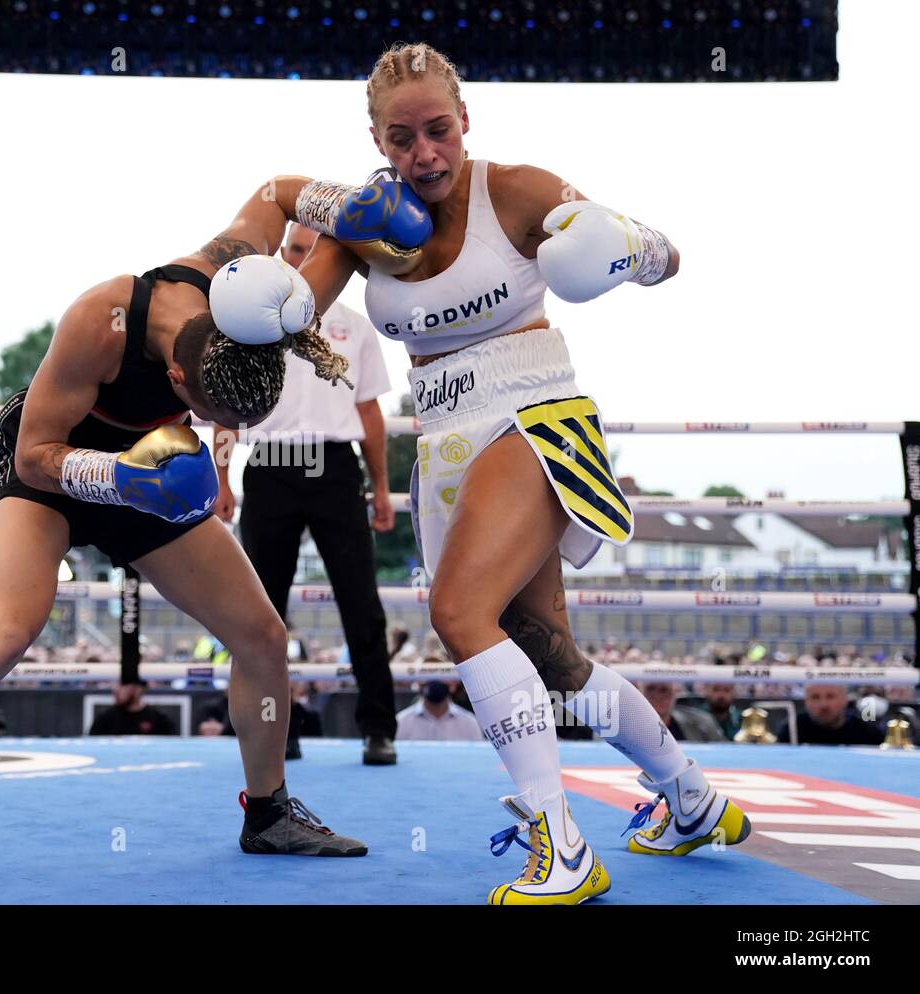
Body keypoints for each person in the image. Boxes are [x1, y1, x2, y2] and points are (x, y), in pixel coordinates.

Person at [0, 172, 427, 900]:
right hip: (51, 469)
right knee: (6, 630)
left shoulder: (243, 291)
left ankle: (268, 813)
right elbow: (36, 456)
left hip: (151, 464)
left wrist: (353, 208)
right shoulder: (101, 317)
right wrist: (121, 478)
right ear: (176, 375)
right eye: (204, 412)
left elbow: (277, 193)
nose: (210, 427)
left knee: (263, 637)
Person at [289, 42, 750, 903]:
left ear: (465, 120)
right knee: (550, 657)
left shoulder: (516, 190)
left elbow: (669, 256)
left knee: (459, 614)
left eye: (438, 129)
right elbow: (293, 311)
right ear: (377, 141)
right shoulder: (366, 222)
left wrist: (625, 247)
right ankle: (690, 797)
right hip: (443, 441)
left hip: (531, 417)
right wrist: (263, 276)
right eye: (402, 138)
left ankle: (561, 846)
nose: (424, 153)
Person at [214, 221, 399, 766]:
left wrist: (381, 487)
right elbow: (226, 404)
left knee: (360, 601)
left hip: (335, 468)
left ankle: (379, 729)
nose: (303, 260)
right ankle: (275, 731)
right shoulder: (249, 323)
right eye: (295, 249)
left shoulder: (355, 327)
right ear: (281, 254)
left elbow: (369, 411)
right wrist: (221, 478)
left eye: (313, 251)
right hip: (269, 466)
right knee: (262, 607)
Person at [777, 684, 885, 746]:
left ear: (845, 699)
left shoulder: (867, 734)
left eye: (830, 696)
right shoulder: (791, 731)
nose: (823, 704)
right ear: (806, 701)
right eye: (815, 697)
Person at [395, 680, 482, 741]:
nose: (435, 679)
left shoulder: (470, 723)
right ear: (418, 681)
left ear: (453, 683)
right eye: (427, 674)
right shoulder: (401, 722)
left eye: (441, 674)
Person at [640, 683, 726, 743]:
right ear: (640, 692)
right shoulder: (631, 729)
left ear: (675, 693)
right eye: (651, 689)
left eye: (664, 690)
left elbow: (723, 752)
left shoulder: (702, 724)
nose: (658, 696)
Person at [89, 682, 177, 735]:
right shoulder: (104, 719)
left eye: (123, 685)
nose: (116, 689)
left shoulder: (160, 720)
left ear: (138, 689)